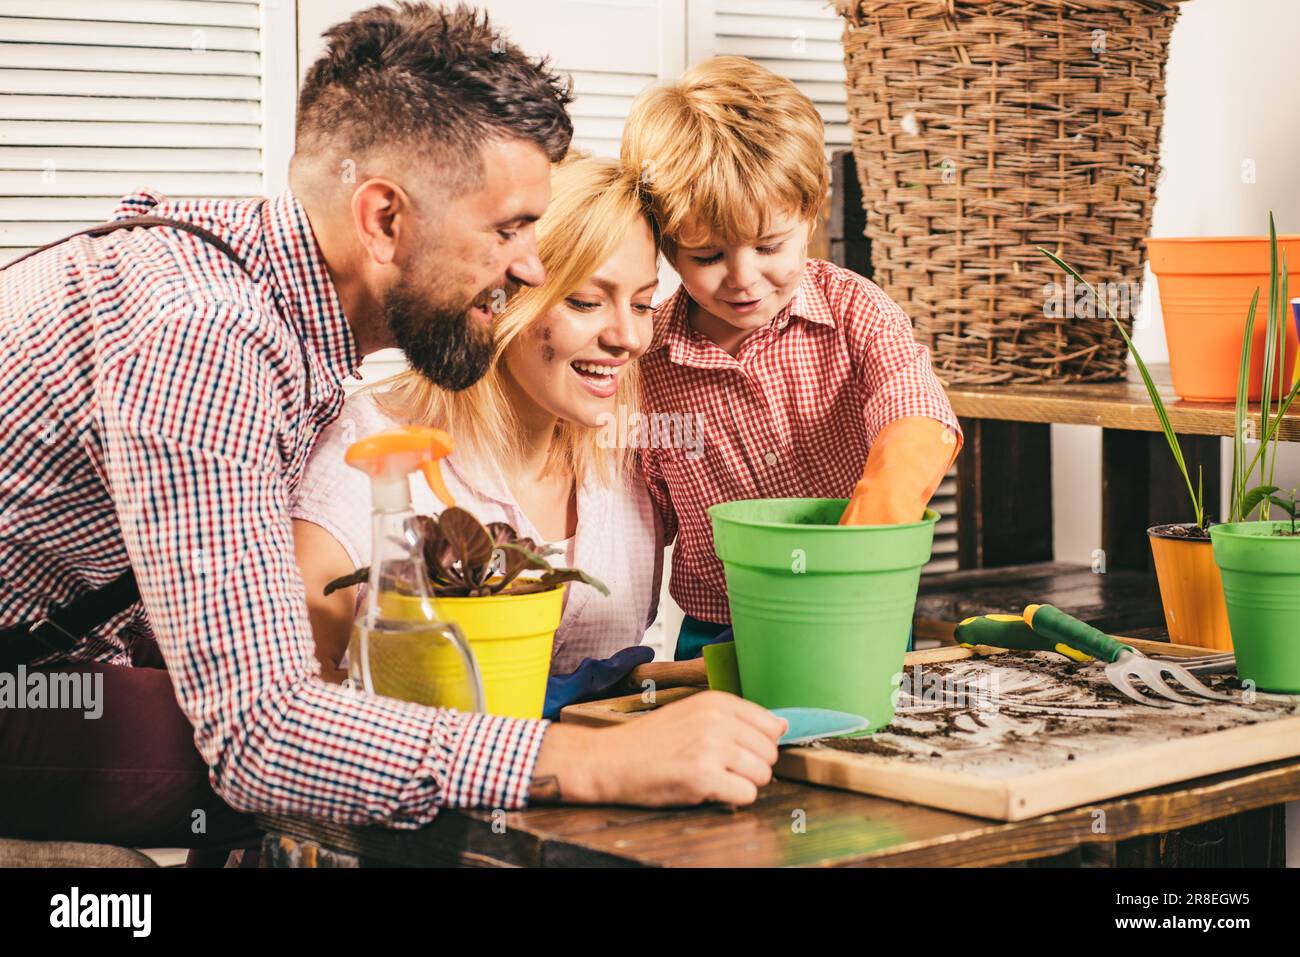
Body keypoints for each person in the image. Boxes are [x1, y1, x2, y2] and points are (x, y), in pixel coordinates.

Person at [0, 4, 783, 857]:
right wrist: (588, 761)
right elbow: (262, 733)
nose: (528, 267)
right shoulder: (204, 334)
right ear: (383, 219)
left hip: (54, 653)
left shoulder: (265, 312)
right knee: (217, 745)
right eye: (508, 229)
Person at [621, 56, 965, 660]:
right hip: (717, 630)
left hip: (858, 610)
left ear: (811, 215)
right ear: (665, 245)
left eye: (769, 245)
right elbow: (634, 516)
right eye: (706, 256)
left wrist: (856, 553)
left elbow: (916, 413)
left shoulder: (855, 310)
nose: (742, 278)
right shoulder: (647, 358)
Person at [293, 153, 663, 682]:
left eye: (645, 304)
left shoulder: (626, 468)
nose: (627, 337)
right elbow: (298, 687)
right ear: (501, 296)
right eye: (585, 302)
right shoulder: (365, 454)